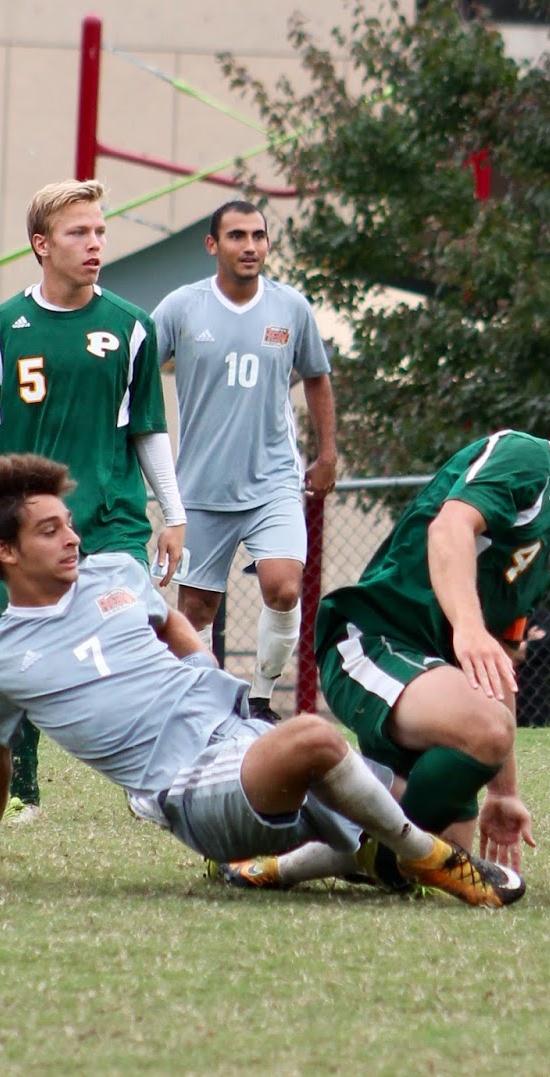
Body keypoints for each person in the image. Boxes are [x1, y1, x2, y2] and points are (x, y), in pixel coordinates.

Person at [0, 453, 522, 909]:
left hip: (241, 736)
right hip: (187, 787)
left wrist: (203, 670)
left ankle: (286, 867)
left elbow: (169, 619)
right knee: (316, 740)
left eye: (69, 525)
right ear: (5, 550)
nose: (72, 539)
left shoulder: (116, 571)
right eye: (50, 531)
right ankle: (422, 857)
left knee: (444, 821)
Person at [308, 368, 550, 876]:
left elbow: (497, 666)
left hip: (427, 677)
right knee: (477, 742)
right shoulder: (524, 456)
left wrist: (504, 794)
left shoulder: (547, 547)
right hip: (372, 641)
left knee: (452, 851)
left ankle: (357, 815)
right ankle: (334, 811)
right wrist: (467, 626)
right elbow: (450, 526)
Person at [0, 179, 187, 824]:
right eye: (80, 232)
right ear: (41, 245)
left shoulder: (132, 326)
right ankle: (23, 788)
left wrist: (175, 514)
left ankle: (158, 780)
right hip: (28, 527)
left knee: (139, 637)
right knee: (7, 650)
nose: (95, 243)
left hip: (110, 520)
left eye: (101, 231)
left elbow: (148, 431)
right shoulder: (0, 328)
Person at [151, 200, 337, 720]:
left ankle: (259, 698)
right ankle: (200, 709)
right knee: (195, 611)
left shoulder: (291, 308)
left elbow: (317, 377)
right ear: (213, 245)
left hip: (273, 480)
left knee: (282, 585)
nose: (249, 246)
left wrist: (327, 454)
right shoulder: (181, 308)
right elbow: (137, 370)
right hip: (201, 487)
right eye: (236, 236)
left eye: (258, 236)